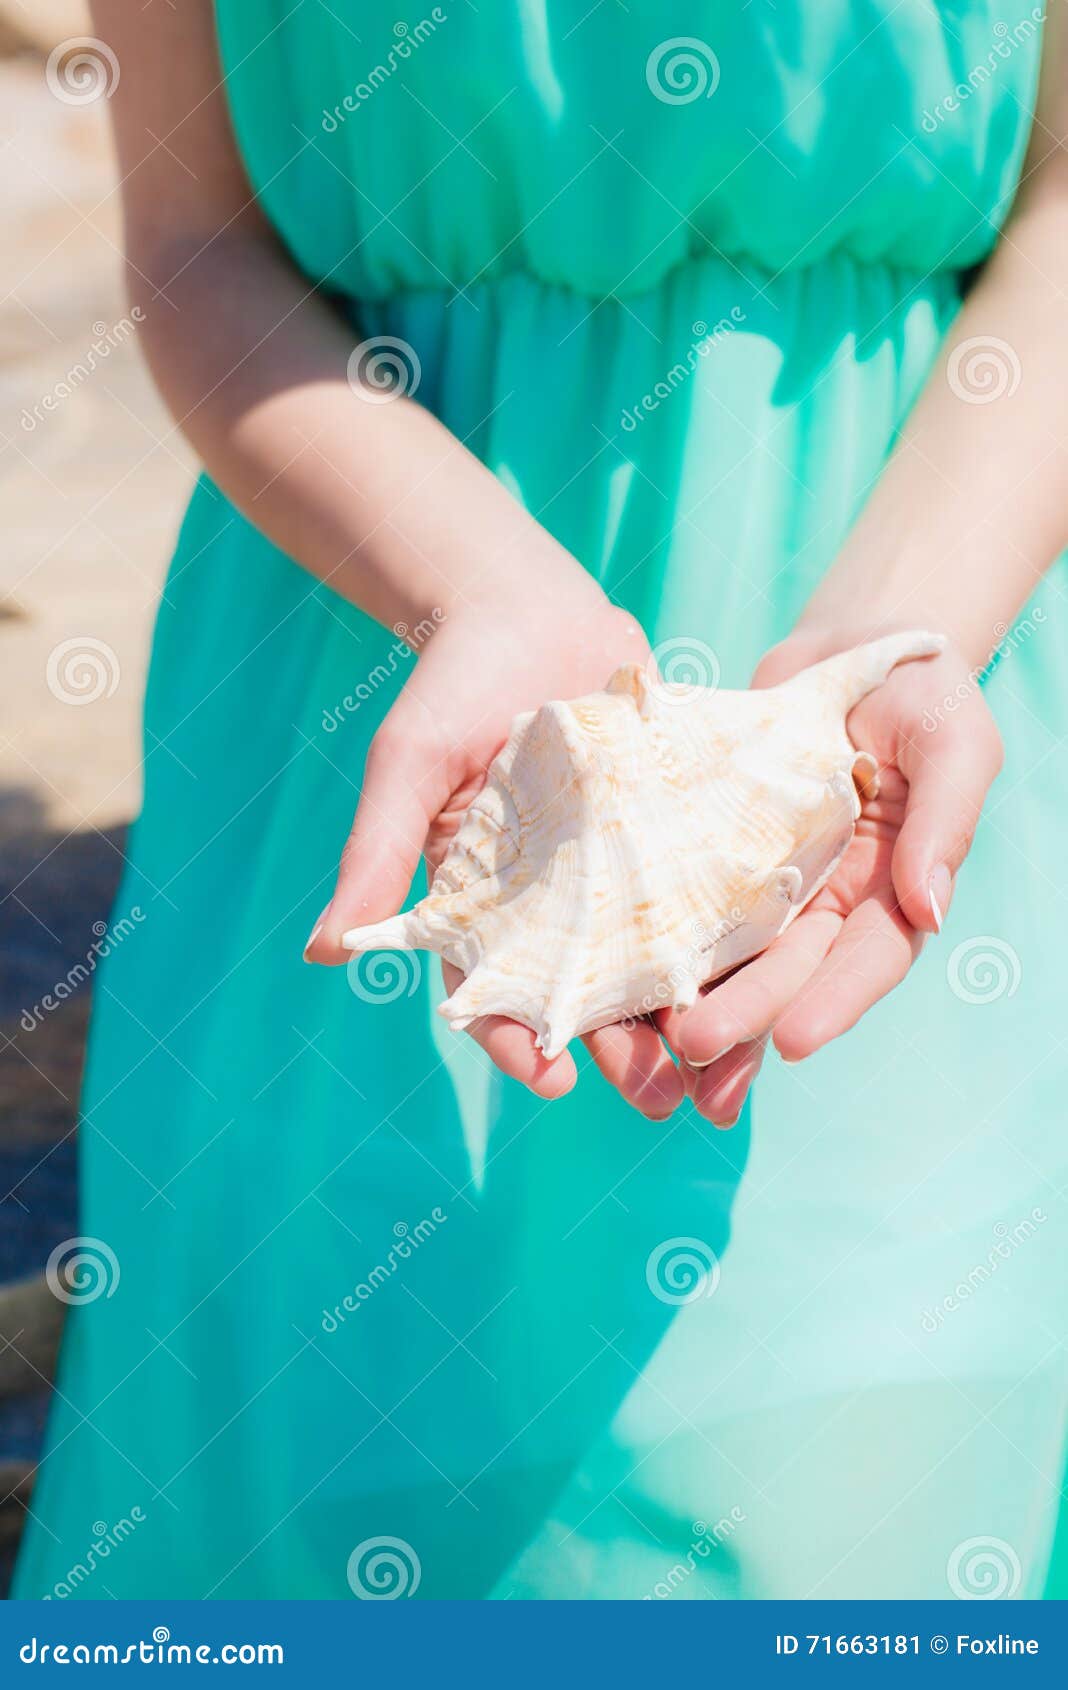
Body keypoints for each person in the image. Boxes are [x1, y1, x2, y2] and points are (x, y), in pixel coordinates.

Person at [16, 1, 1068, 1599]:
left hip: (943, 625)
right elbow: (196, 244)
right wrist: (475, 585)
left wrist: (902, 632)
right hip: (370, 673)